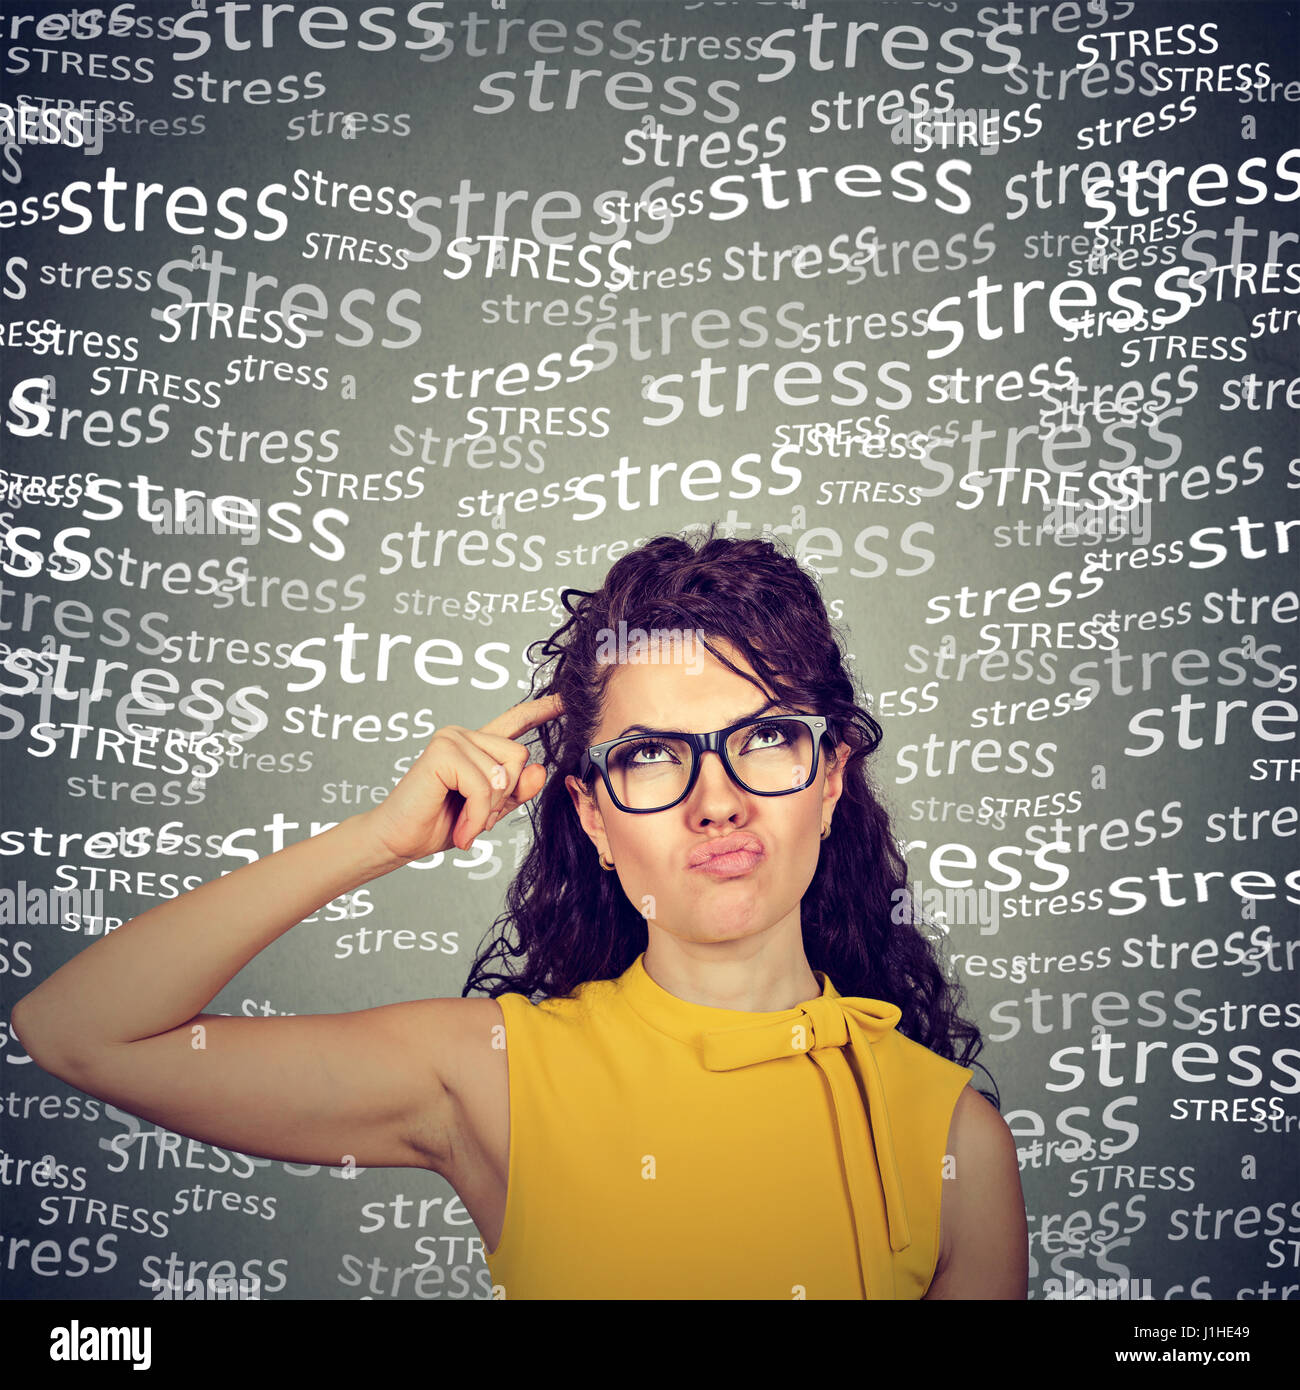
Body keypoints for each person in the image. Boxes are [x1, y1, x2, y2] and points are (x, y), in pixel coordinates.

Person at [13, 524, 1027, 1300]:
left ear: (830, 776)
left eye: (763, 737)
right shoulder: (493, 1076)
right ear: (591, 816)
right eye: (651, 755)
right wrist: (379, 838)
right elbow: (77, 1032)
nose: (716, 801)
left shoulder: (955, 1140)